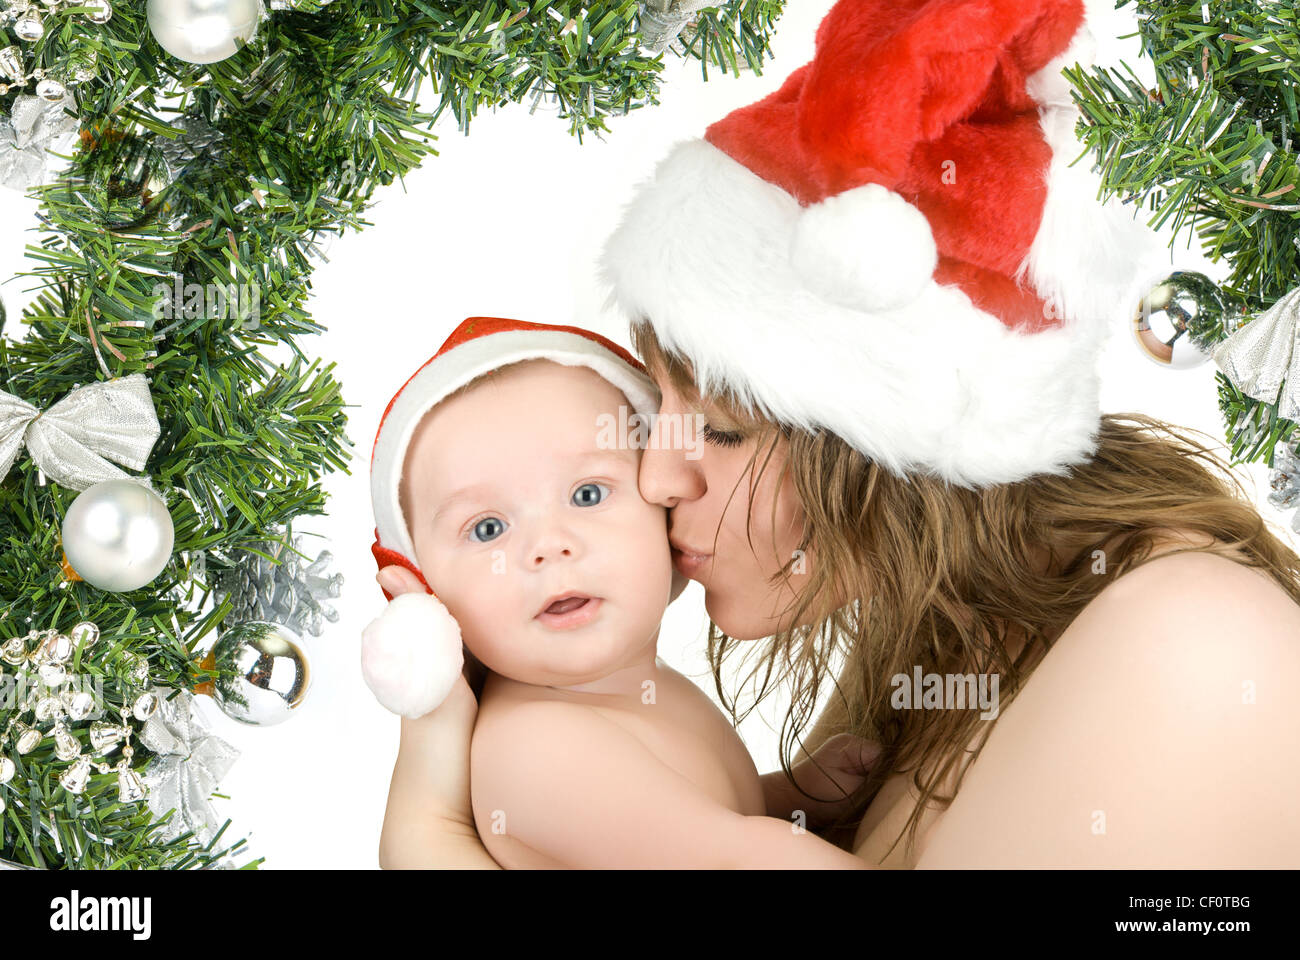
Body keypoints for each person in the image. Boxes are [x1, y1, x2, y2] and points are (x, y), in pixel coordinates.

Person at [377, 0, 1300, 867]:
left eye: (727, 433)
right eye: (658, 419)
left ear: (894, 454)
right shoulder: (938, 638)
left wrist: (434, 844)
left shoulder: (1189, 644)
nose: (654, 479)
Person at [367, 317, 883, 868]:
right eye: (487, 529)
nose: (550, 546)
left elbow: (673, 829)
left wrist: (792, 795)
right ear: (425, 599)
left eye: (587, 494)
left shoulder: (628, 698)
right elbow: (732, 856)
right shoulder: (537, 748)